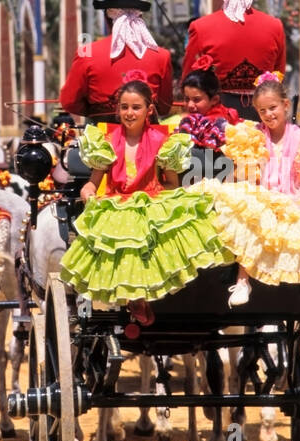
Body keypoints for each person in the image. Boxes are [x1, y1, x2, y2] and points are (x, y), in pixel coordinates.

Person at [59, 74, 232, 325]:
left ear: (148, 110)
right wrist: (87, 194)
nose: (130, 113)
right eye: (125, 107)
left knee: (167, 235)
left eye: (136, 107)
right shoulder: (106, 142)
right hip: (116, 204)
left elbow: (172, 182)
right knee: (123, 239)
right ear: (118, 110)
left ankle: (162, 292)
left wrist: (165, 199)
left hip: (152, 201)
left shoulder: (163, 141)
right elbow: (93, 183)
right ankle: (133, 296)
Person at [205, 72, 300, 312]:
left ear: (285, 105)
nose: (268, 115)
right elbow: (242, 170)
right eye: (262, 111)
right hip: (264, 196)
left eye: (273, 108)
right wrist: (230, 181)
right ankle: (242, 281)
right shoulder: (254, 137)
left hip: (294, 196)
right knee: (250, 218)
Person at [181, 0, 286, 118]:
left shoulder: (200, 27)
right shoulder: (275, 26)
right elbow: (279, 75)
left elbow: (188, 78)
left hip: (218, 118)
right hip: (265, 116)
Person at [59, 0, 173, 120]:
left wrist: (95, 112)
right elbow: (164, 107)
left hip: (103, 135)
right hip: (147, 135)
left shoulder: (87, 52)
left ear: (108, 19)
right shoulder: (162, 56)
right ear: (139, 18)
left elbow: (69, 101)